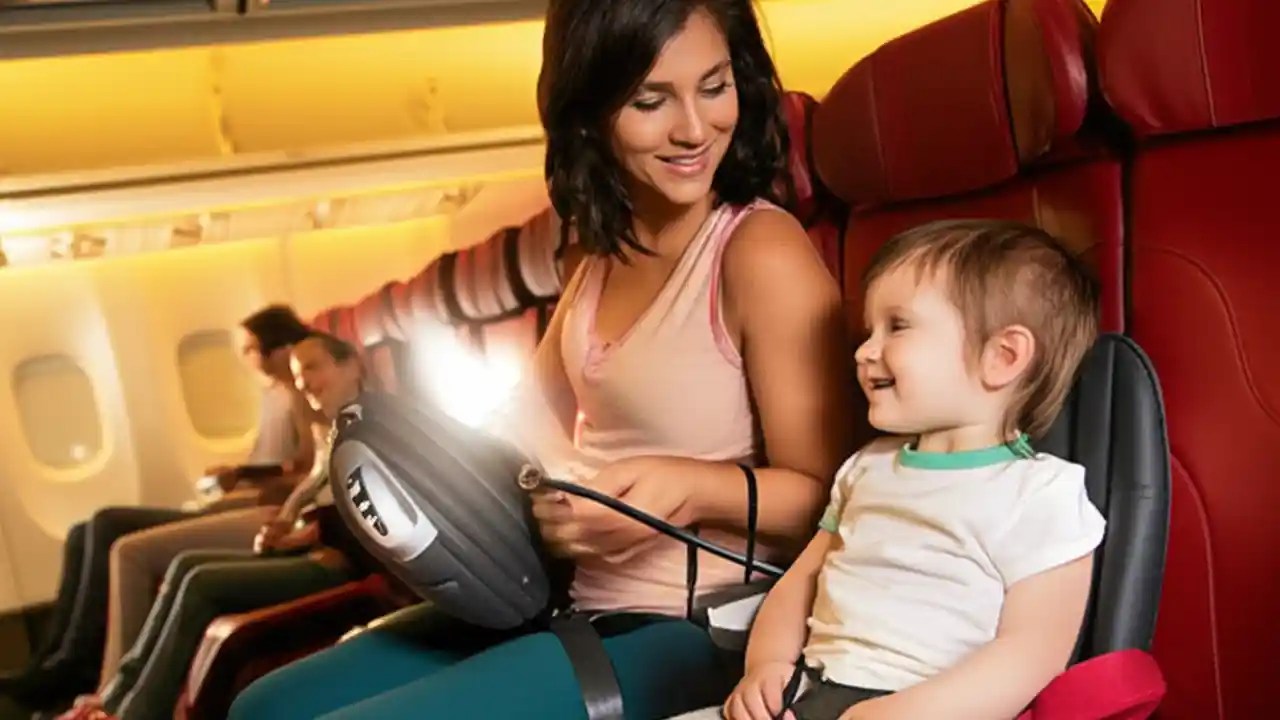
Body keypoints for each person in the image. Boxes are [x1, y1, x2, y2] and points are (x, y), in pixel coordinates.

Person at [228, 1, 856, 718]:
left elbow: (833, 497)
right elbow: (524, 419)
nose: (694, 127)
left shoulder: (758, 253)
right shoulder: (596, 257)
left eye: (715, 87)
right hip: (566, 598)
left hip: (699, 625)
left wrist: (685, 492)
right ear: (588, 111)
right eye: (651, 101)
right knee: (264, 707)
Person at [674, 220, 1104, 720]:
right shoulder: (868, 467)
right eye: (867, 331)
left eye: (896, 326)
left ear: (1001, 356)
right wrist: (766, 666)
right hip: (810, 696)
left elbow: (1030, 655)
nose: (864, 351)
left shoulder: (1042, 493)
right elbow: (802, 581)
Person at [1, 305, 314, 710]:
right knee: (85, 530)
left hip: (259, 507)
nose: (245, 358)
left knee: (114, 529)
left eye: (252, 348)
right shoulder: (271, 396)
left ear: (278, 348)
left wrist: (243, 476)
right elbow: (272, 460)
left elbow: (303, 470)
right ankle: (54, 658)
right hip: (236, 500)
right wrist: (234, 475)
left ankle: (82, 670)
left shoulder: (301, 393)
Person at [54, 332, 375, 720]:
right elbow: (311, 489)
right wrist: (286, 523)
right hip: (307, 547)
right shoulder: (331, 428)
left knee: (203, 584)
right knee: (186, 566)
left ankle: (136, 714)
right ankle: (114, 696)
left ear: (352, 364)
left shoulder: (374, 425)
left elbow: (371, 517)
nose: (303, 381)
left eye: (312, 366)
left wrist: (309, 534)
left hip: (334, 562)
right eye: (297, 372)